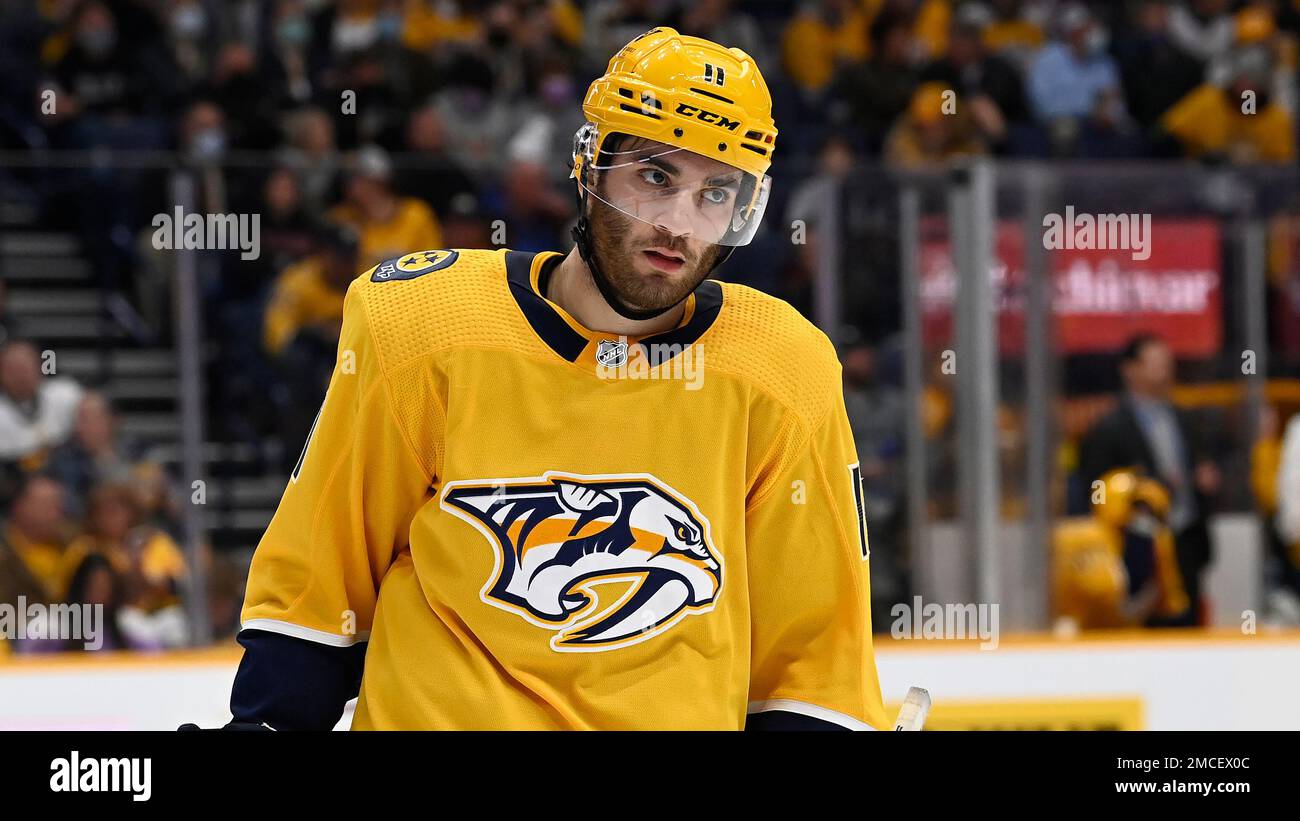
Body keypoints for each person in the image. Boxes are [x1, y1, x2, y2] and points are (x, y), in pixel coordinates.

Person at [229, 27, 889, 731]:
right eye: (656, 176)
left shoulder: (781, 369)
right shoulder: (426, 326)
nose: (677, 225)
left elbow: (811, 666)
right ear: (590, 168)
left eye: (715, 194)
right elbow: (320, 587)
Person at [1077, 334, 1220, 625]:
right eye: (1155, 362)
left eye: (1167, 362)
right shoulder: (1109, 428)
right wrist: (1129, 501)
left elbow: (1198, 465)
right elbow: (1094, 490)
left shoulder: (1185, 418)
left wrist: (1203, 479)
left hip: (1185, 542)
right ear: (1130, 369)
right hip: (1135, 552)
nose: (1165, 369)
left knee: (1186, 627)